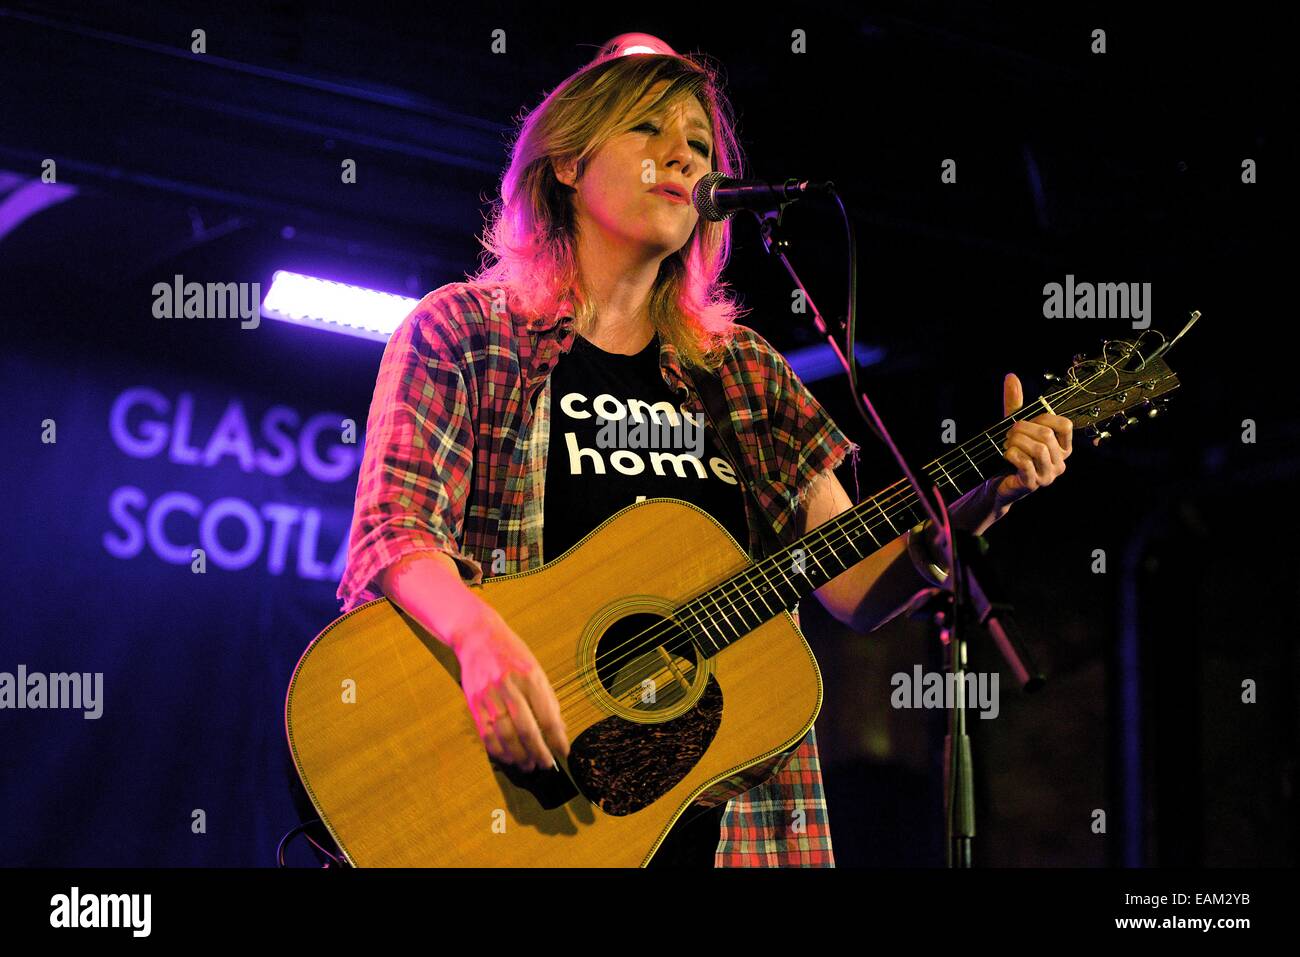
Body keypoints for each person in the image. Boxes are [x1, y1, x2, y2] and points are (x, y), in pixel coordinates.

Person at [335, 50, 1072, 867]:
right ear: (570, 161)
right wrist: (482, 642)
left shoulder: (743, 373)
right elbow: (395, 536)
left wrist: (979, 501)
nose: (687, 155)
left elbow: (853, 586)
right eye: (651, 128)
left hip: (729, 838)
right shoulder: (465, 333)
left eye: (701, 143)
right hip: (505, 799)